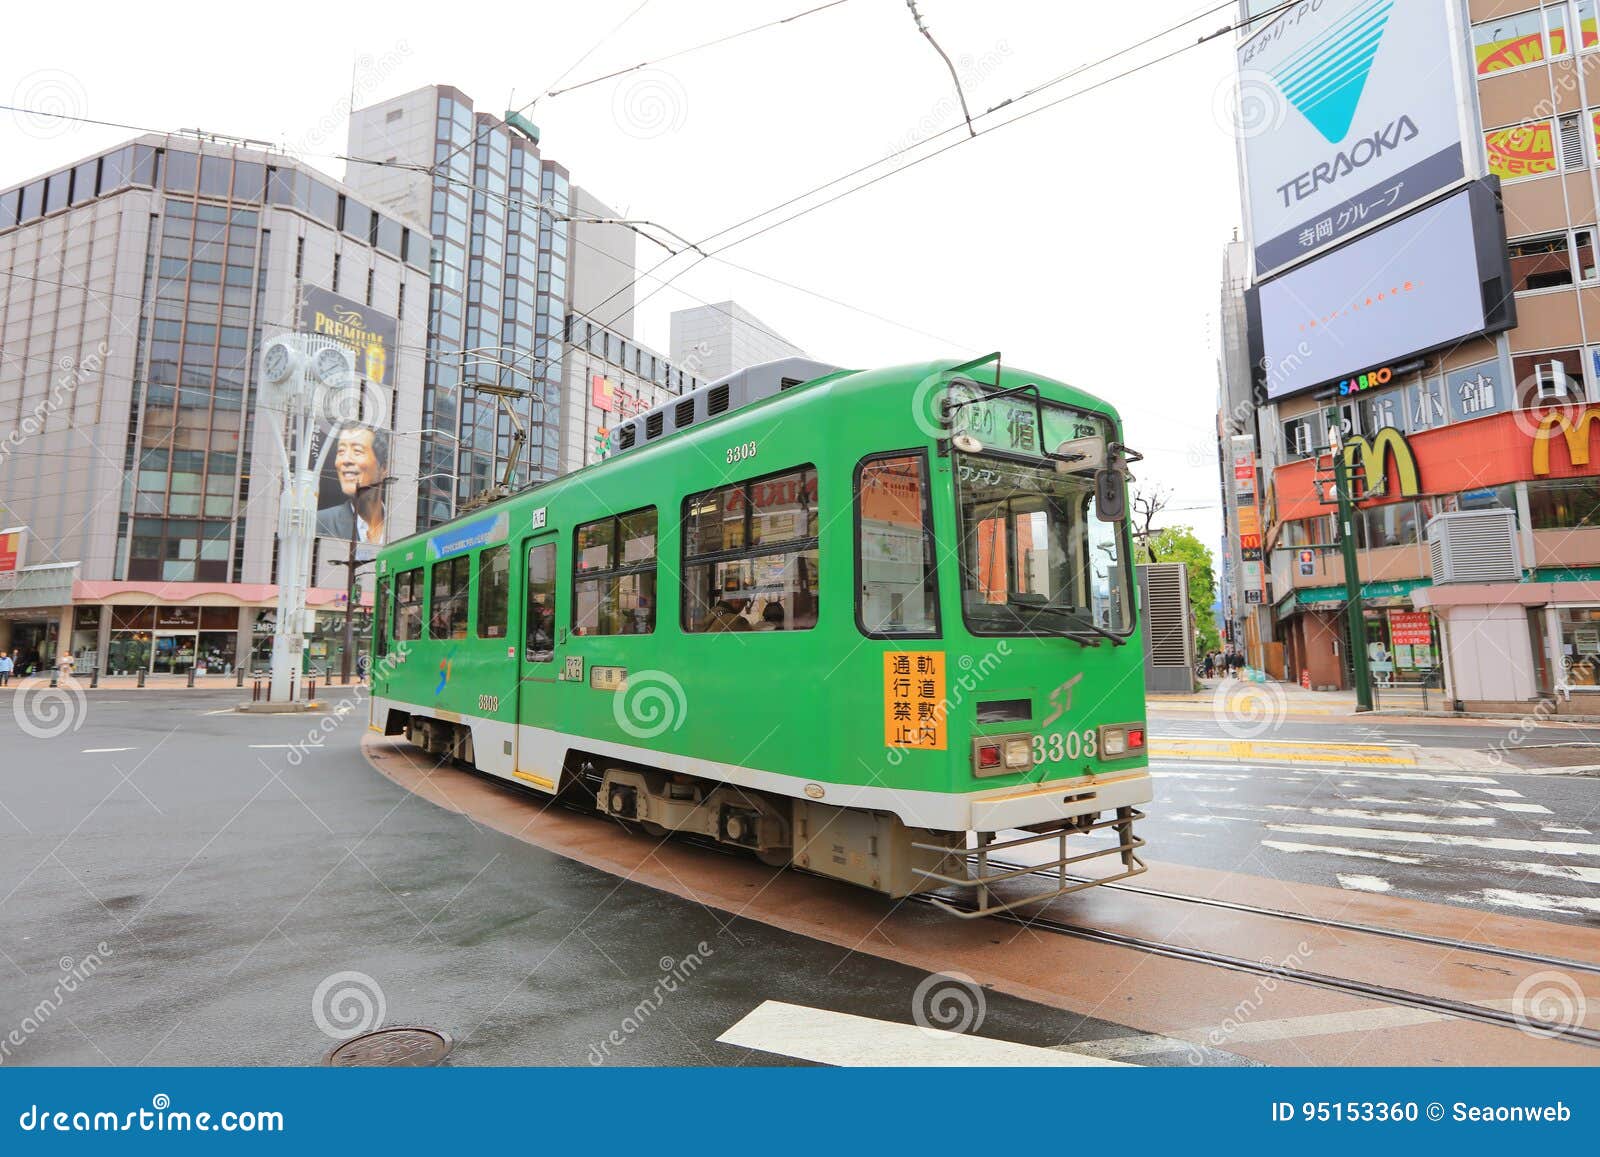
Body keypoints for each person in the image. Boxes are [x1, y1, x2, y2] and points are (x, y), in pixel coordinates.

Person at [316, 422, 390, 545]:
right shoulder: (320, 521)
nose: (346, 460)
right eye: (341, 451)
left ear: (383, 468)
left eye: (357, 451)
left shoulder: (400, 525)